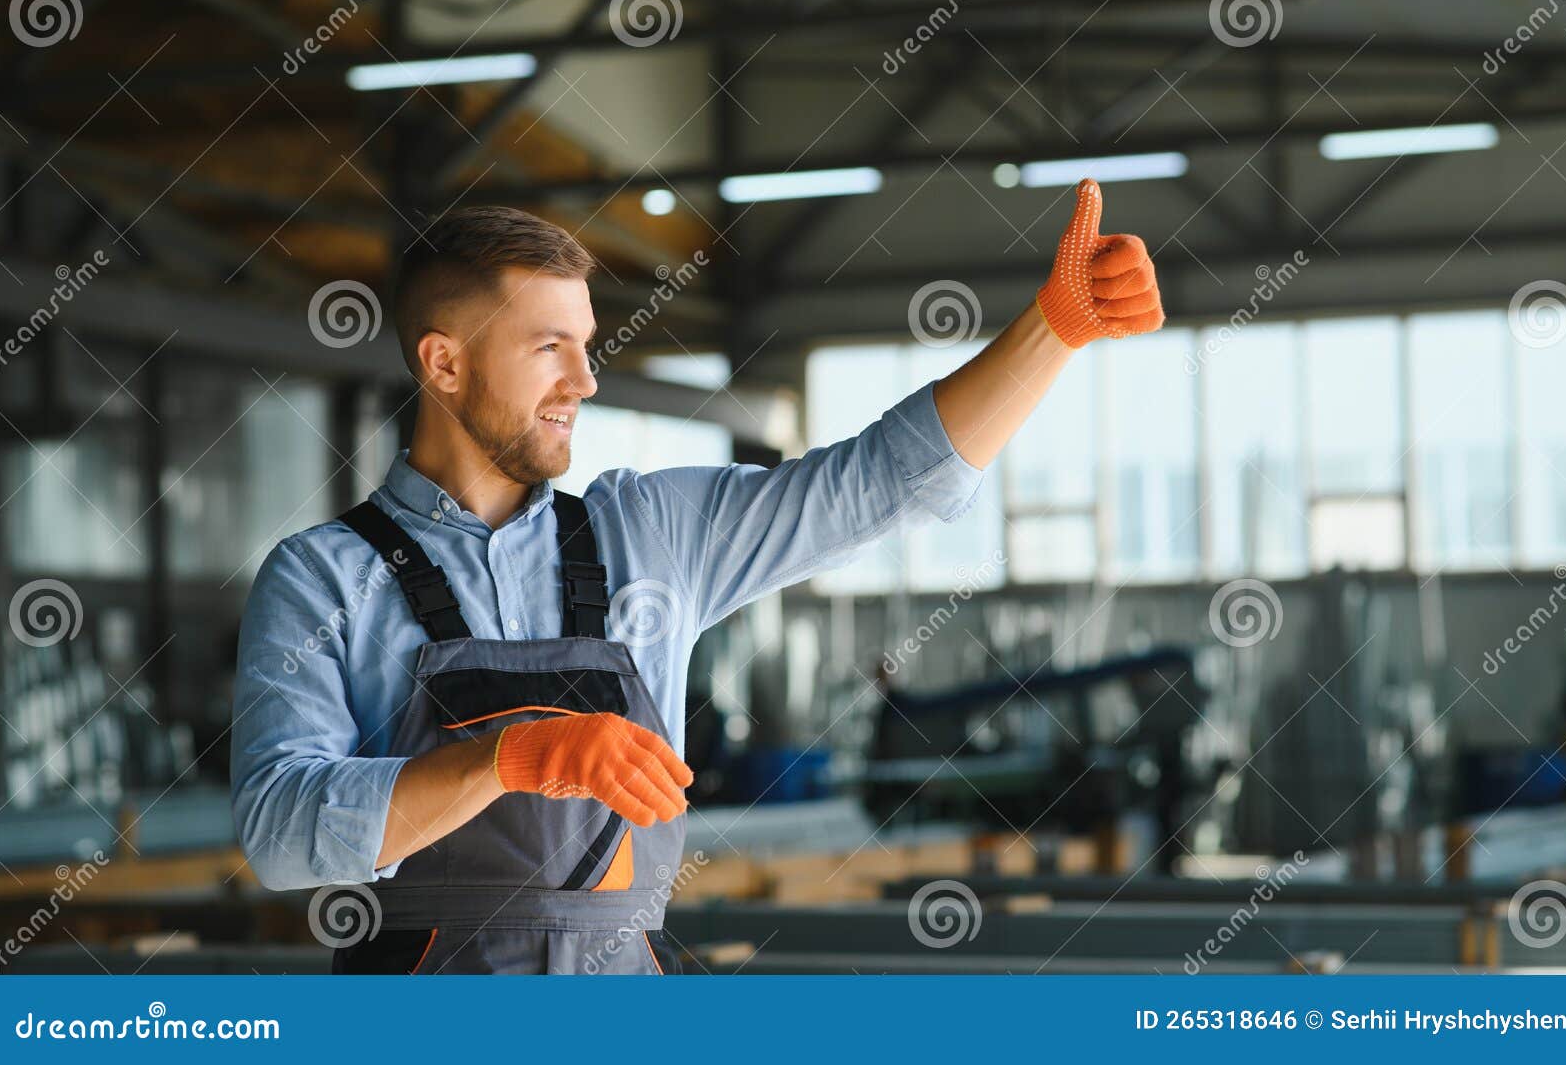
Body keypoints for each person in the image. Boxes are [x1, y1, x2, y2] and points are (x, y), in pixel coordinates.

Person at [230, 179, 1161, 974]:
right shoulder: (324, 578)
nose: (585, 381)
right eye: (549, 347)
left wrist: (1054, 328)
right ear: (444, 361)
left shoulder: (653, 534)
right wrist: (509, 758)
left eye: (586, 344)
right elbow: (277, 833)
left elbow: (882, 481)